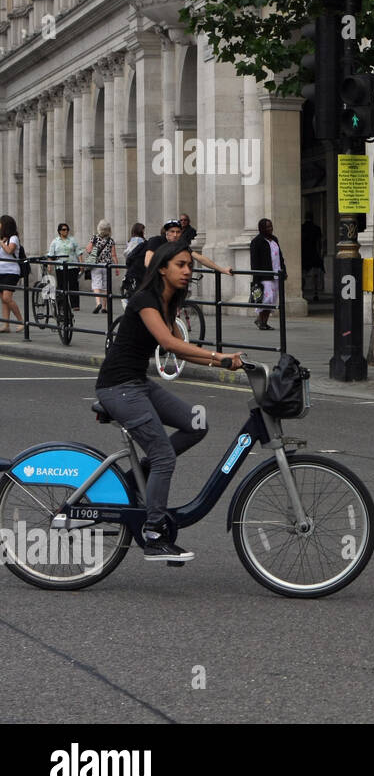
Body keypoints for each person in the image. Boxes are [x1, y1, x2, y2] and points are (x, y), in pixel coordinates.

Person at [94, 240, 243, 560]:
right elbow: (167, 342)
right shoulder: (145, 299)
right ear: (162, 267)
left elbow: (178, 346)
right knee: (164, 455)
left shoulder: (168, 301)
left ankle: (135, 479)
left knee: (196, 424)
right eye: (181, 265)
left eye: (190, 265)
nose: (188, 270)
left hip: (137, 384)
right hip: (117, 387)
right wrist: (219, 357)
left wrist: (225, 361)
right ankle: (153, 531)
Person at [144, 220, 234, 278]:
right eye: (172, 231)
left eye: (178, 232)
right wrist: (166, 272)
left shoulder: (180, 245)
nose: (175, 235)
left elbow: (200, 258)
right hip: (149, 278)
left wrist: (222, 270)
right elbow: (148, 262)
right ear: (166, 233)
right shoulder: (156, 241)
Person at [250, 218, 286, 331]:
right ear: (262, 228)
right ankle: (261, 320)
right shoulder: (257, 241)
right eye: (267, 227)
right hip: (264, 276)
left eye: (271, 226)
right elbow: (254, 261)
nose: (270, 229)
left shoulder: (274, 239)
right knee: (267, 299)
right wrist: (256, 277)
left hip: (276, 274)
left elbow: (280, 257)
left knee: (273, 300)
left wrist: (283, 270)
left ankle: (263, 322)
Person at [47, 222, 83, 310]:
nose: (66, 231)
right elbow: (51, 255)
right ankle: (62, 305)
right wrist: (49, 266)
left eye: (67, 229)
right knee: (61, 286)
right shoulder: (55, 242)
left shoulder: (72, 240)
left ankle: (75, 305)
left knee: (73, 285)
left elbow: (78, 252)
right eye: (63, 229)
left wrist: (81, 264)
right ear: (59, 231)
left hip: (72, 266)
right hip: (60, 267)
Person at [85, 220, 118, 314]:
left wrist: (93, 252)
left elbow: (88, 249)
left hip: (96, 264)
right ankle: (104, 307)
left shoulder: (94, 238)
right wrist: (116, 267)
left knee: (96, 283)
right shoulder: (111, 240)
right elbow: (114, 255)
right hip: (107, 265)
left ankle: (98, 303)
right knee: (105, 285)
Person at [0, 214, 24, 332]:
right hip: (1, 271)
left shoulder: (13, 238)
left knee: (7, 297)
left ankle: (21, 321)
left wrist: (1, 243)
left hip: (11, 271)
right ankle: (6, 325)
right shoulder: (2, 239)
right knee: (3, 299)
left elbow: (9, 251)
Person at [301, 213, 325, 302]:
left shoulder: (302, 228)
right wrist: (320, 253)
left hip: (304, 254)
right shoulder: (316, 228)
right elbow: (319, 243)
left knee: (303, 275)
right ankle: (315, 293)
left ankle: (302, 292)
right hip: (314, 253)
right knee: (315, 275)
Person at [121, 223, 147, 298]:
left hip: (130, 265)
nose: (144, 232)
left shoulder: (130, 240)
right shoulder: (140, 240)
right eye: (143, 230)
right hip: (138, 266)